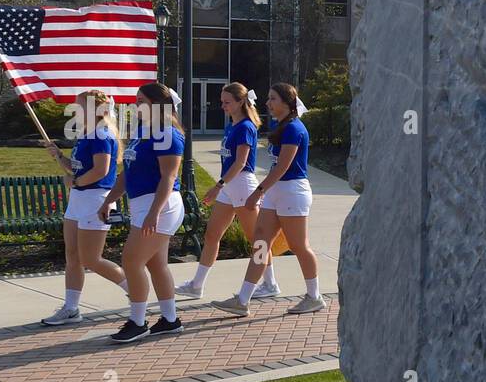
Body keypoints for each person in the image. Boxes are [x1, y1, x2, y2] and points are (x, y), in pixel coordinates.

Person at [212, 82, 325, 316]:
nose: (268, 103)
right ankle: (243, 300)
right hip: (276, 191)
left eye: (273, 98)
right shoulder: (281, 126)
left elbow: (283, 166)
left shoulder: (295, 128)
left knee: (298, 246)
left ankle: (314, 296)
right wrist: (265, 192)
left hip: (292, 191)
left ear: (287, 102)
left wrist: (258, 192)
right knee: (261, 242)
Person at [175, 82, 280, 300]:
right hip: (230, 186)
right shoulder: (231, 126)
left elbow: (240, 163)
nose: (223, 106)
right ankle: (197, 285)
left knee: (257, 240)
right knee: (212, 234)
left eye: (227, 102)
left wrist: (218, 186)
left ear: (241, 102)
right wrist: (222, 186)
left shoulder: (246, 127)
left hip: (241, 185)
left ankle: (270, 283)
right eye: (222, 102)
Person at [99, 83, 186, 343]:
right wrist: (109, 200)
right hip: (143, 204)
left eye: (141, 100)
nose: (136, 105)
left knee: (131, 261)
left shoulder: (168, 133)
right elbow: (129, 173)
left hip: (161, 204)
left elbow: (169, 177)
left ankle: (138, 321)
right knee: (155, 263)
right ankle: (170, 319)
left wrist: (154, 213)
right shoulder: (141, 131)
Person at [40, 90, 129, 326]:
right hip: (78, 200)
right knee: (73, 257)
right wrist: (58, 155)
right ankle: (71, 308)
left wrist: (75, 182)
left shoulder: (101, 135)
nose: (75, 109)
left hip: (95, 199)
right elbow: (76, 168)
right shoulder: (85, 134)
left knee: (91, 258)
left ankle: (135, 287)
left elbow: (101, 171)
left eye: (80, 105)